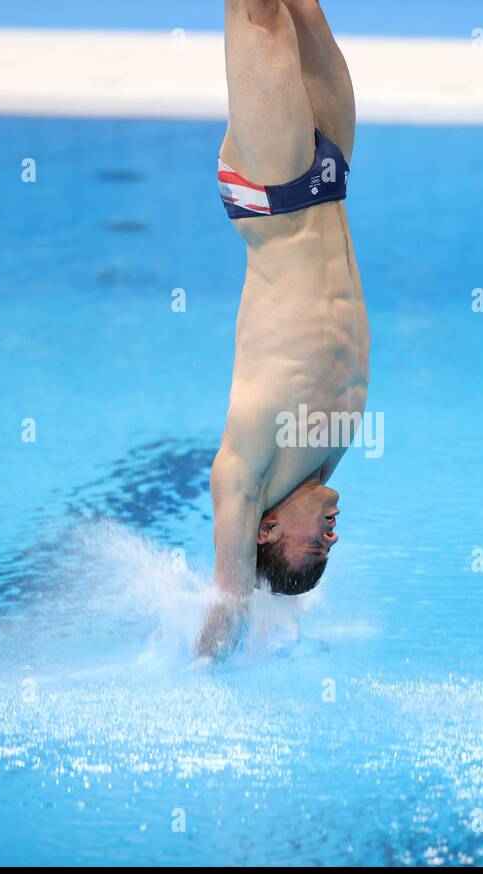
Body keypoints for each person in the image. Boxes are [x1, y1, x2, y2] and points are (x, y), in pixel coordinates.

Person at [199, 0, 369, 658]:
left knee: (259, 14)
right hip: (328, 180)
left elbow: (230, 596)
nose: (331, 536)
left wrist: (203, 677)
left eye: (313, 548)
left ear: (267, 532)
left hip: (274, 190)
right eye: (329, 548)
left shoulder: (246, 476)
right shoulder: (323, 453)